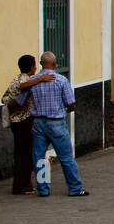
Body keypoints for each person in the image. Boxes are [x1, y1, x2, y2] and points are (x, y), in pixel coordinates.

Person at [27, 51, 89, 197]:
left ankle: (43, 189)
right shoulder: (61, 80)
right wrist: (66, 109)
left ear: (41, 64)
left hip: (38, 123)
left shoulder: (33, 80)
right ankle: (74, 188)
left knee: (39, 158)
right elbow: (71, 103)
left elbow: (21, 99)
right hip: (56, 123)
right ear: (54, 64)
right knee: (66, 157)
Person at [1, 55, 54, 195]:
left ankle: (23, 184)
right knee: (24, 154)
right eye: (35, 65)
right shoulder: (24, 79)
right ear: (32, 67)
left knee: (21, 153)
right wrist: (41, 78)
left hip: (17, 121)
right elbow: (23, 86)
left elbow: (4, 97)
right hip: (22, 121)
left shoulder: (16, 78)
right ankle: (22, 186)